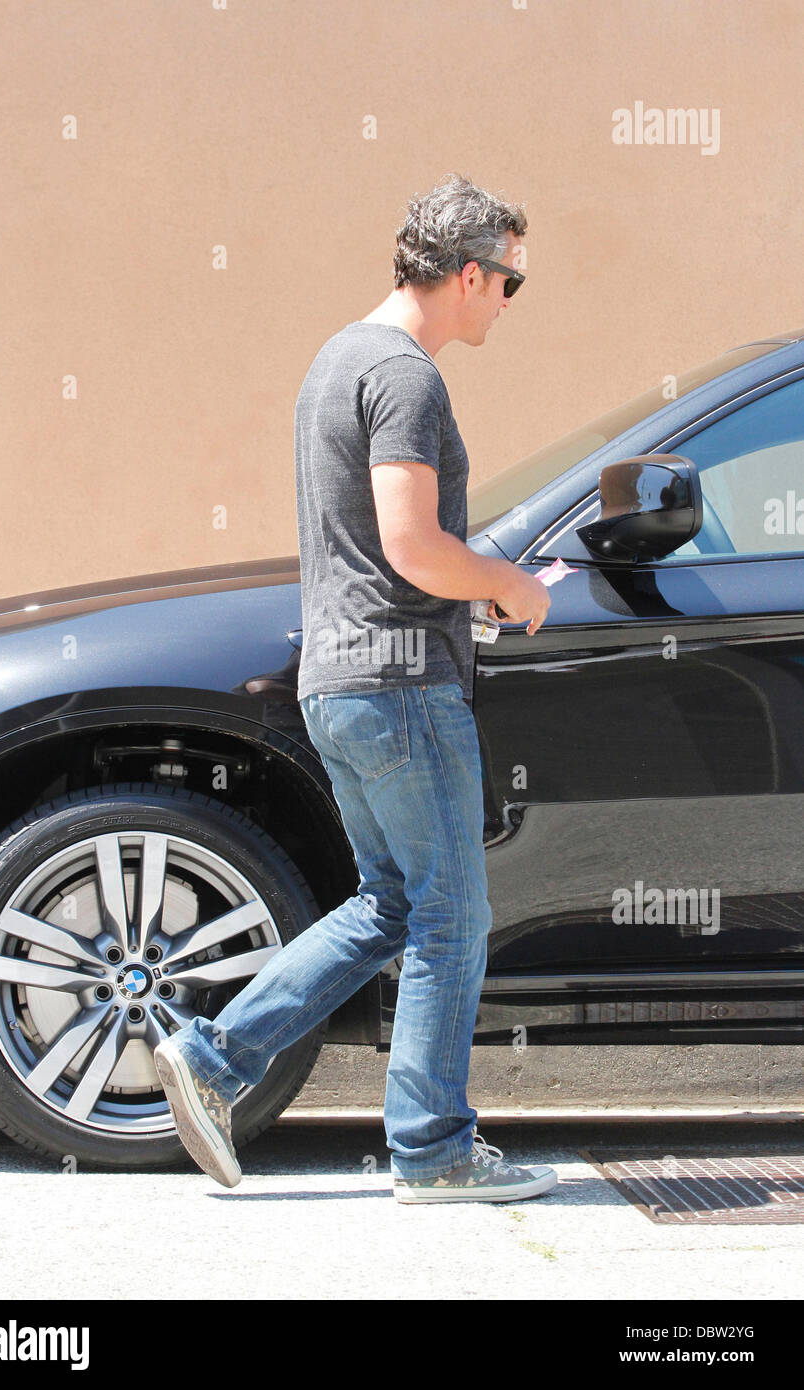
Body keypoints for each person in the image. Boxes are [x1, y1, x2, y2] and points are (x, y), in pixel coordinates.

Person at [155, 172, 556, 1203]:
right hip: (401, 682)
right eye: (509, 282)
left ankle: (208, 1058)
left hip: (338, 680)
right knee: (451, 918)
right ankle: (431, 1150)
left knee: (391, 905)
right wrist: (506, 584)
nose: (509, 301)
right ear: (467, 273)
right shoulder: (405, 377)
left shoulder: (335, 360)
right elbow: (412, 545)